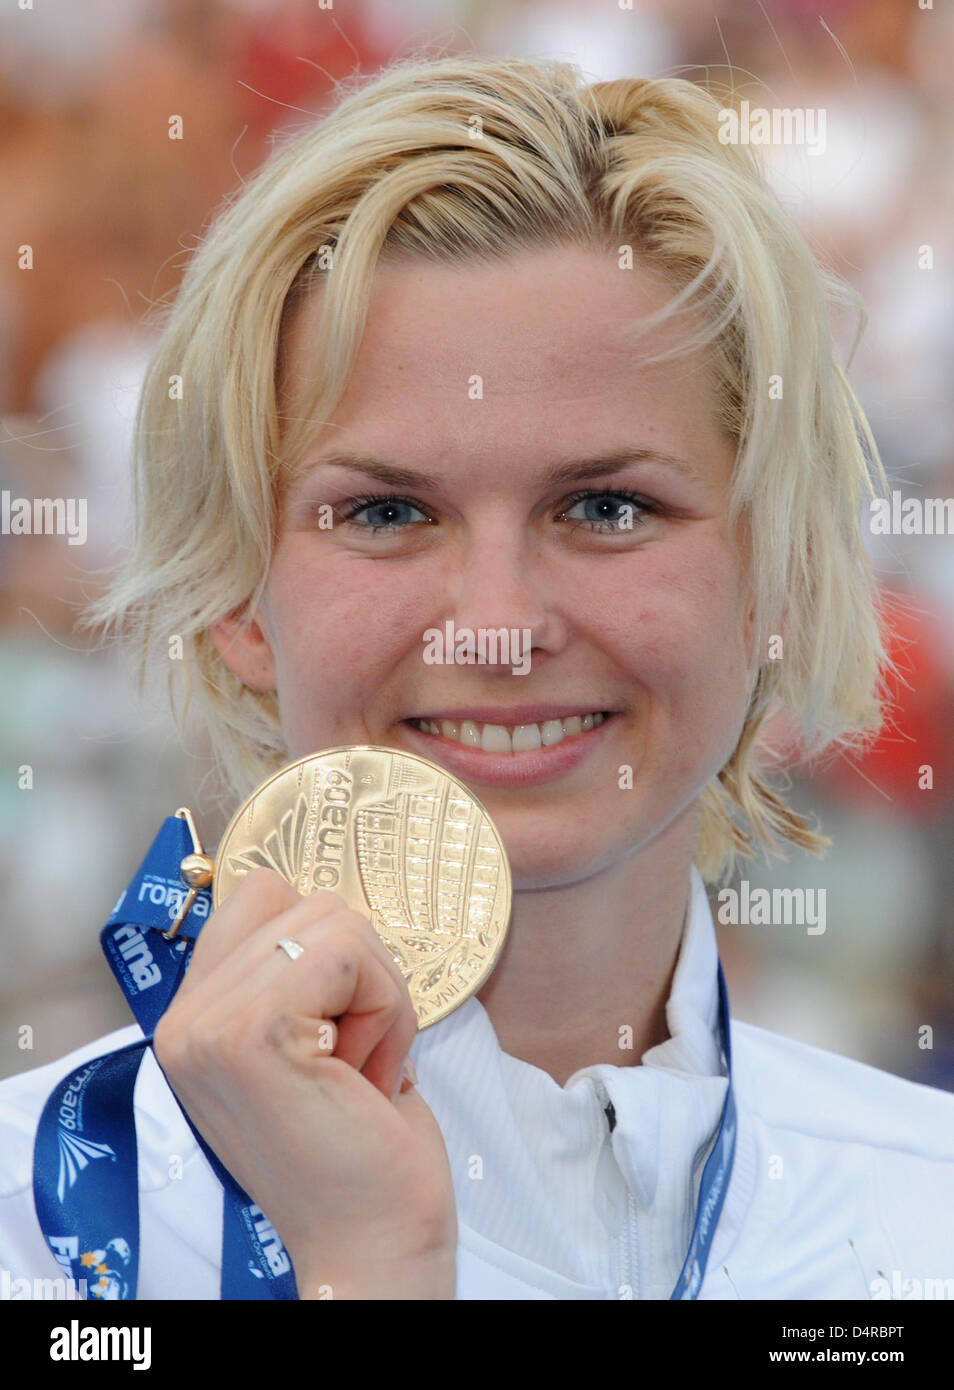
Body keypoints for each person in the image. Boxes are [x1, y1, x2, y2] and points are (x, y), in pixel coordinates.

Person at [1, 53, 952, 1302]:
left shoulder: (922, 1206)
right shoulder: (46, 1223)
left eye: (607, 506)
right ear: (237, 593)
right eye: (389, 511)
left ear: (776, 580)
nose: (498, 628)